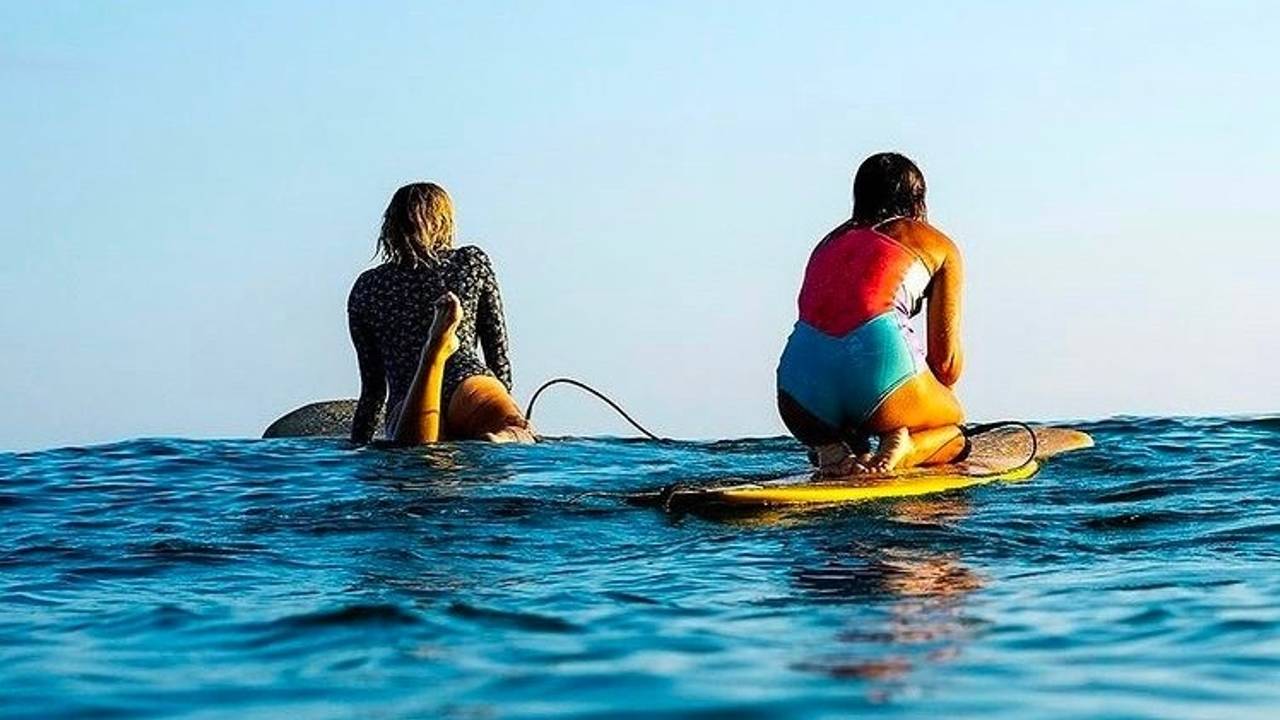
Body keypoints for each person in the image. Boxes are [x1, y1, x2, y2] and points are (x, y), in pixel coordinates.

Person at [776, 153, 965, 475]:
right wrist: (923, 403)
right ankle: (905, 449)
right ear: (918, 198)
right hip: (881, 379)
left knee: (848, 422)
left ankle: (832, 450)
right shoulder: (938, 244)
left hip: (797, 397)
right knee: (955, 430)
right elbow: (946, 365)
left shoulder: (827, 243)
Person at [347, 182, 534, 444]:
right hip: (467, 381)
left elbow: (373, 389)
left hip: (411, 393)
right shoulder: (470, 261)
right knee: (514, 431)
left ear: (391, 226)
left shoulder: (367, 287)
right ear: (444, 221)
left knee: (420, 451)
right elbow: (497, 353)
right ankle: (503, 436)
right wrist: (508, 408)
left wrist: (358, 444)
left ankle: (433, 352)